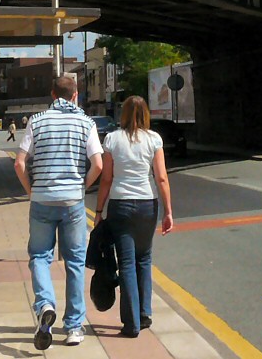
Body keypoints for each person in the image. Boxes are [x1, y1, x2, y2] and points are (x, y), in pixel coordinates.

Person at [14, 75, 103, 349]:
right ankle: (74, 327)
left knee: (40, 256)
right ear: (75, 95)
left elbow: (19, 163)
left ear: (53, 95)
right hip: (72, 202)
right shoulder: (86, 123)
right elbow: (98, 165)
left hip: (42, 199)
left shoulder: (37, 121)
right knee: (75, 262)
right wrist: (81, 186)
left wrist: (32, 191)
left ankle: (45, 304)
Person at [94, 95, 174, 339]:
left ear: (124, 114)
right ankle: (145, 314)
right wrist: (168, 211)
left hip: (121, 205)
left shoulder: (112, 139)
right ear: (146, 114)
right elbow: (161, 177)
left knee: (126, 262)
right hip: (147, 204)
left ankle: (131, 324)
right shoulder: (154, 139)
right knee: (144, 259)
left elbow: (106, 178)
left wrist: (98, 211)